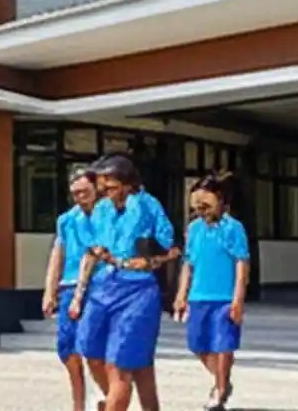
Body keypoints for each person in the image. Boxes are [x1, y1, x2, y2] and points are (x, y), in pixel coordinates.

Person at [71, 154, 179, 411]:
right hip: (103, 289)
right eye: (101, 185)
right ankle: (116, 400)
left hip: (137, 293)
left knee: (120, 363)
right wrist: (79, 293)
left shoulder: (148, 206)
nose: (103, 190)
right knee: (92, 351)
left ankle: (115, 402)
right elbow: (92, 251)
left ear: (128, 183)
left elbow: (173, 249)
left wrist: (152, 261)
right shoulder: (102, 210)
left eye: (110, 185)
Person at [174, 175, 249, 411]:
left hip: (224, 297)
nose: (202, 212)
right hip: (199, 297)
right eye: (197, 208)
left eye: (206, 207)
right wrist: (181, 294)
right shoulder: (194, 229)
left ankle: (219, 391)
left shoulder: (233, 228)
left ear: (220, 200)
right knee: (198, 344)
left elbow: (241, 263)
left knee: (223, 345)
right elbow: (188, 263)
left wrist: (238, 298)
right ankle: (223, 381)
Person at [42, 166, 104, 411]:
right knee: (67, 346)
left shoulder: (107, 217)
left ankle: (107, 396)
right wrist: (49, 290)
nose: (80, 197)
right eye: (75, 193)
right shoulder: (66, 220)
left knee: (94, 345)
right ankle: (78, 402)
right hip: (69, 286)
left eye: (84, 191)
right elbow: (58, 254)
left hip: (100, 285)